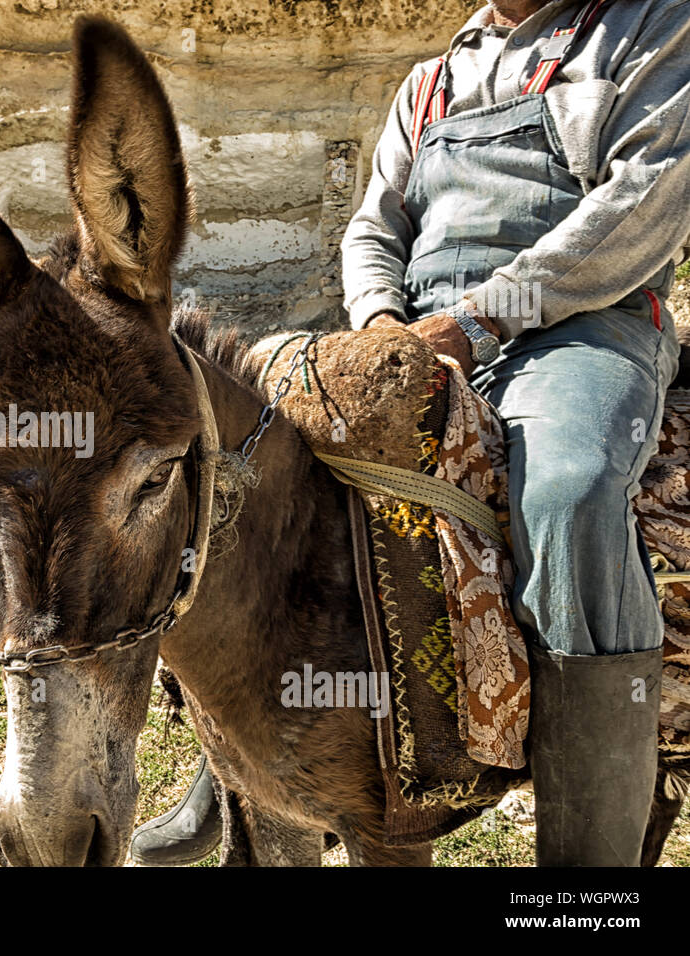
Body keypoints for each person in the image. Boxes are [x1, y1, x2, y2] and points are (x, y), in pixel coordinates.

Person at [132, 0, 690, 867]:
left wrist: (478, 321)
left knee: (568, 488)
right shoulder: (430, 79)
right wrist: (385, 327)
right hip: (420, 334)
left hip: (584, 327)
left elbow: (642, 202)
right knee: (240, 448)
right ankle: (229, 775)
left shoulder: (653, 25)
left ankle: (588, 871)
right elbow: (373, 228)